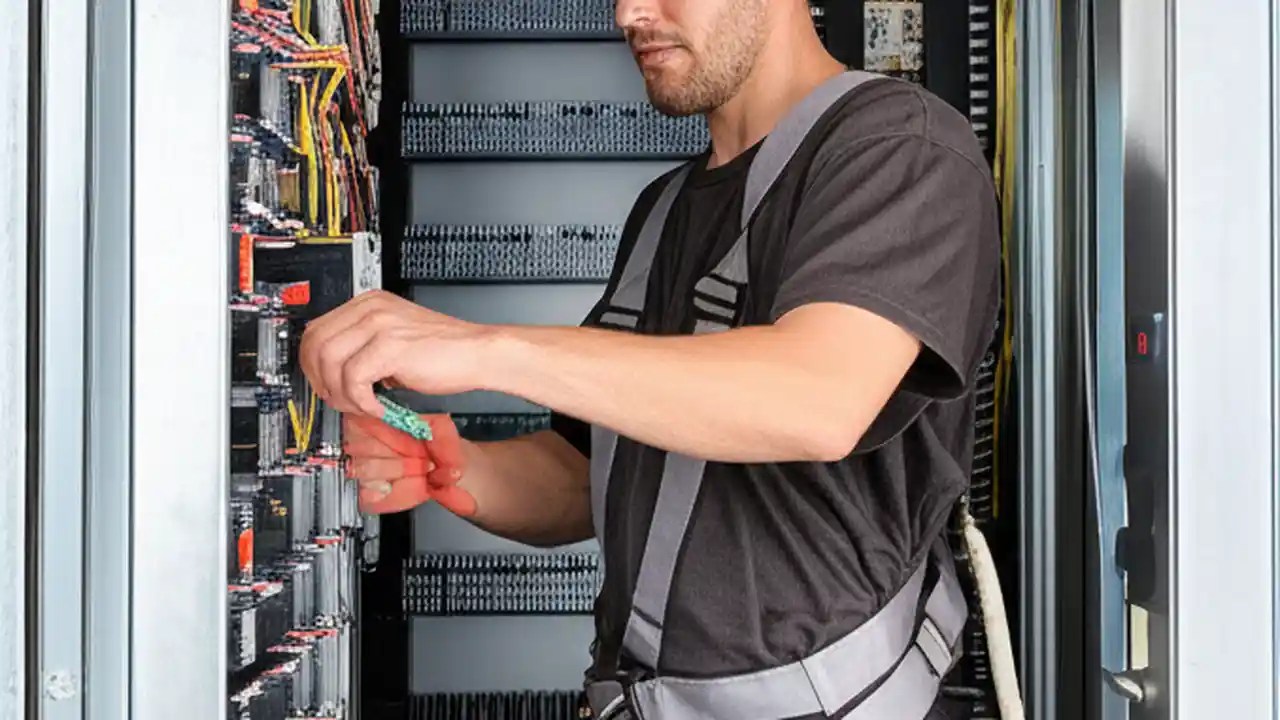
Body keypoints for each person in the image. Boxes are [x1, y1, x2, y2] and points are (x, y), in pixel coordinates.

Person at [299, 0, 999, 717]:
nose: (630, 13)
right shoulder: (662, 211)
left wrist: (486, 348)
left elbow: (818, 397)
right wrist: (460, 467)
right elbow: (586, 478)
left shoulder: (899, 148)